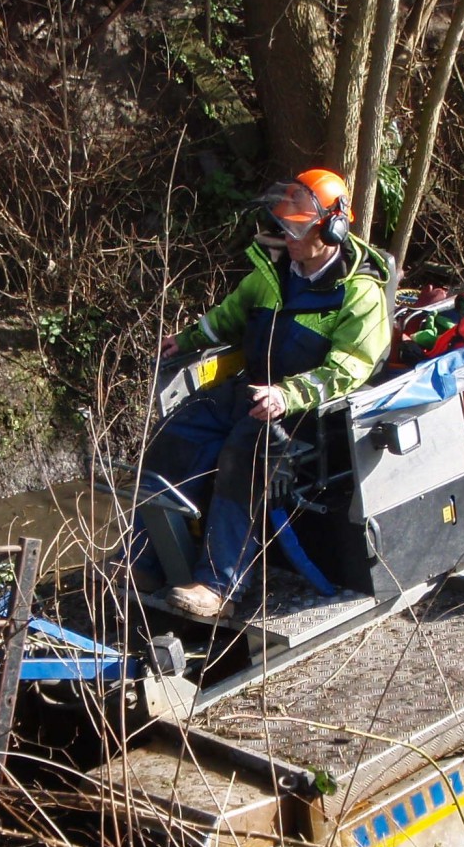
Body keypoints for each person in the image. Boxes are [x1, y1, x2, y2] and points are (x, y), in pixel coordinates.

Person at [139, 169, 391, 618]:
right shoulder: (273, 274)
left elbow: (351, 366)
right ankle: (145, 558)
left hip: (307, 412)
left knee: (241, 453)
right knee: (176, 431)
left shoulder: (358, 293)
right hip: (252, 389)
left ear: (332, 228)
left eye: (297, 227)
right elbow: (231, 315)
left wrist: (287, 394)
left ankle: (221, 587)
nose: (287, 235)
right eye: (284, 225)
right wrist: (189, 339)